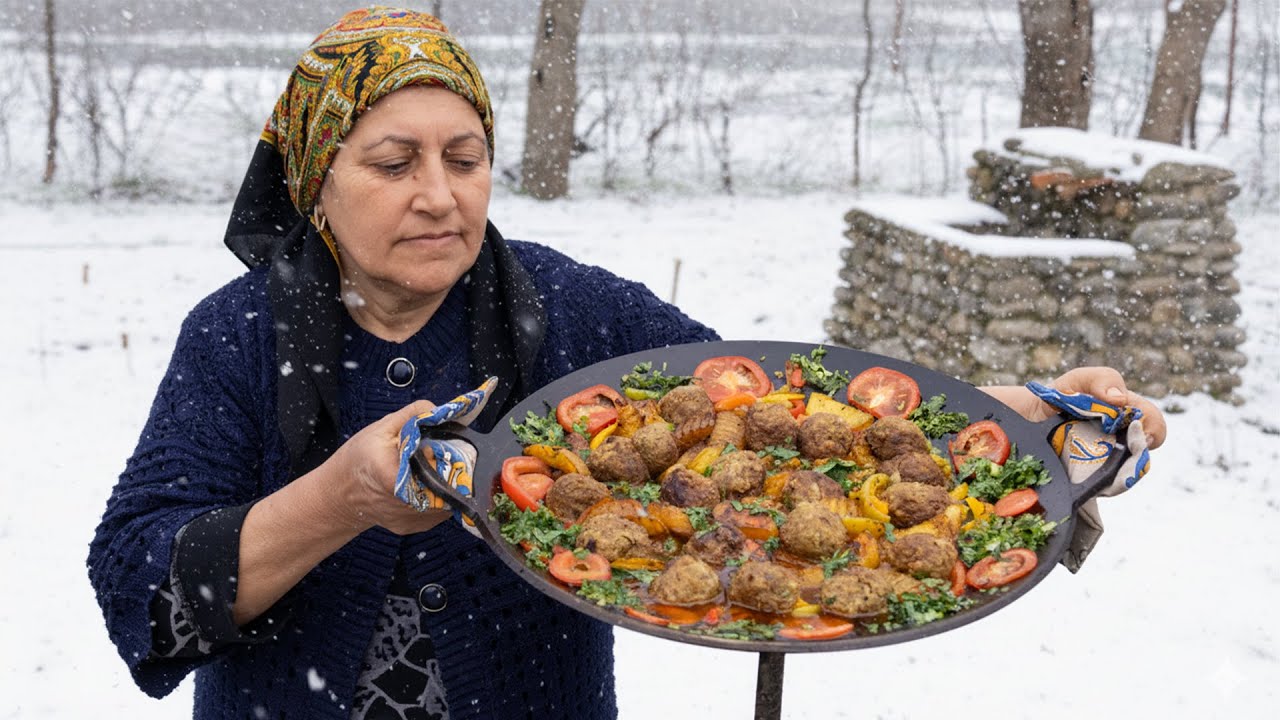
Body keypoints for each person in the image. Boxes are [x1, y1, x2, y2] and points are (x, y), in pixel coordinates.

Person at [86, 7, 1167, 720]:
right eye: (392, 162)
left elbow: (793, 416)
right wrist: (340, 499)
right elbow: (138, 583)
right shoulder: (237, 337)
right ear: (317, 182)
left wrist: (1018, 413)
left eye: (465, 158)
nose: (439, 195)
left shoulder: (571, 309)